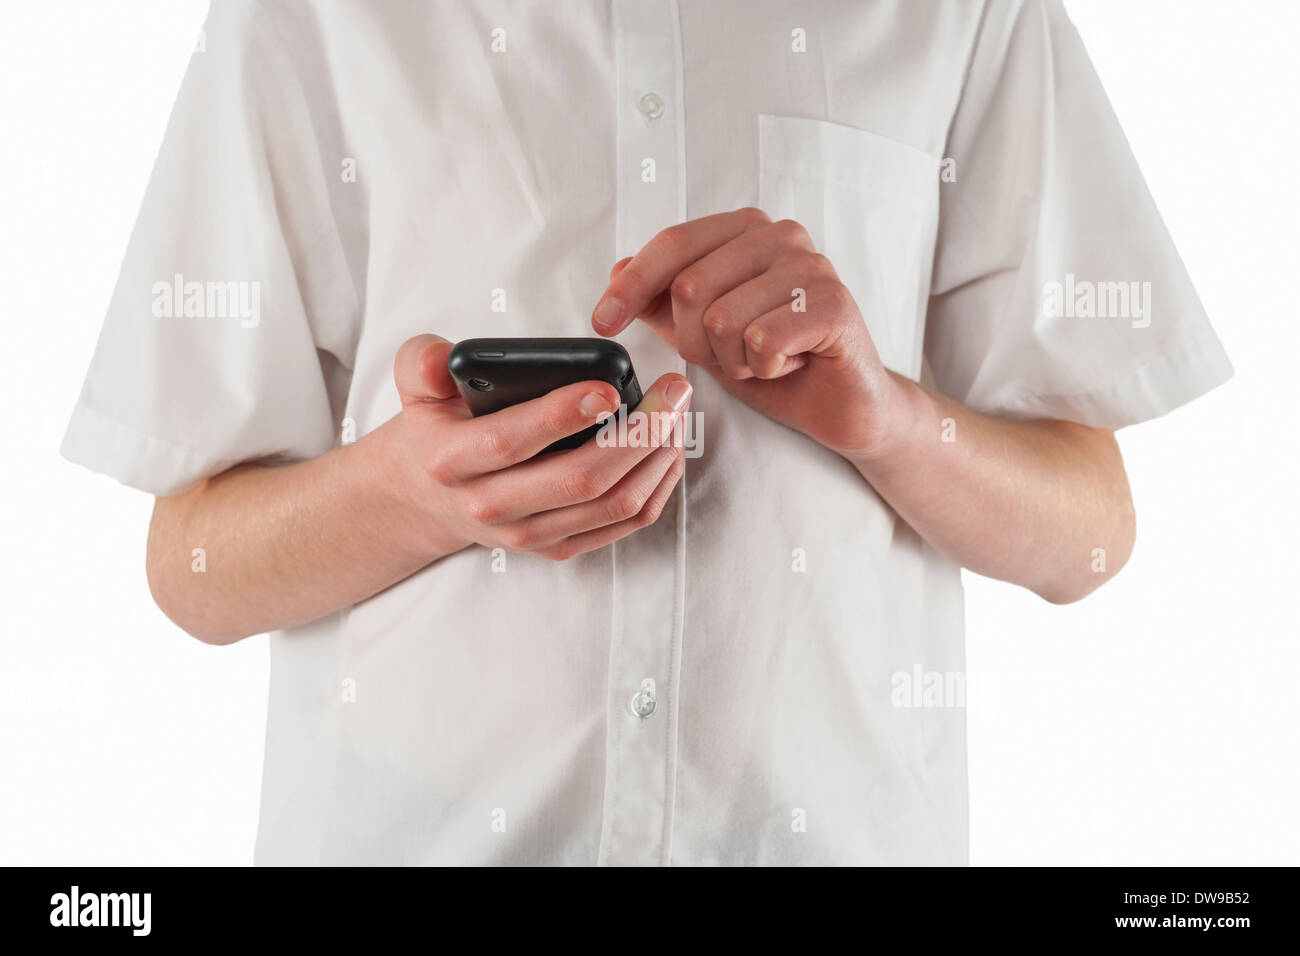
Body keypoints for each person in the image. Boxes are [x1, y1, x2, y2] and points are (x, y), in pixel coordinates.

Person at [62, 0, 1232, 865]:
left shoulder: (963, 14)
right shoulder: (310, 17)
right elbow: (192, 570)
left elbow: (1090, 532)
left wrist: (888, 418)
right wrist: (407, 497)